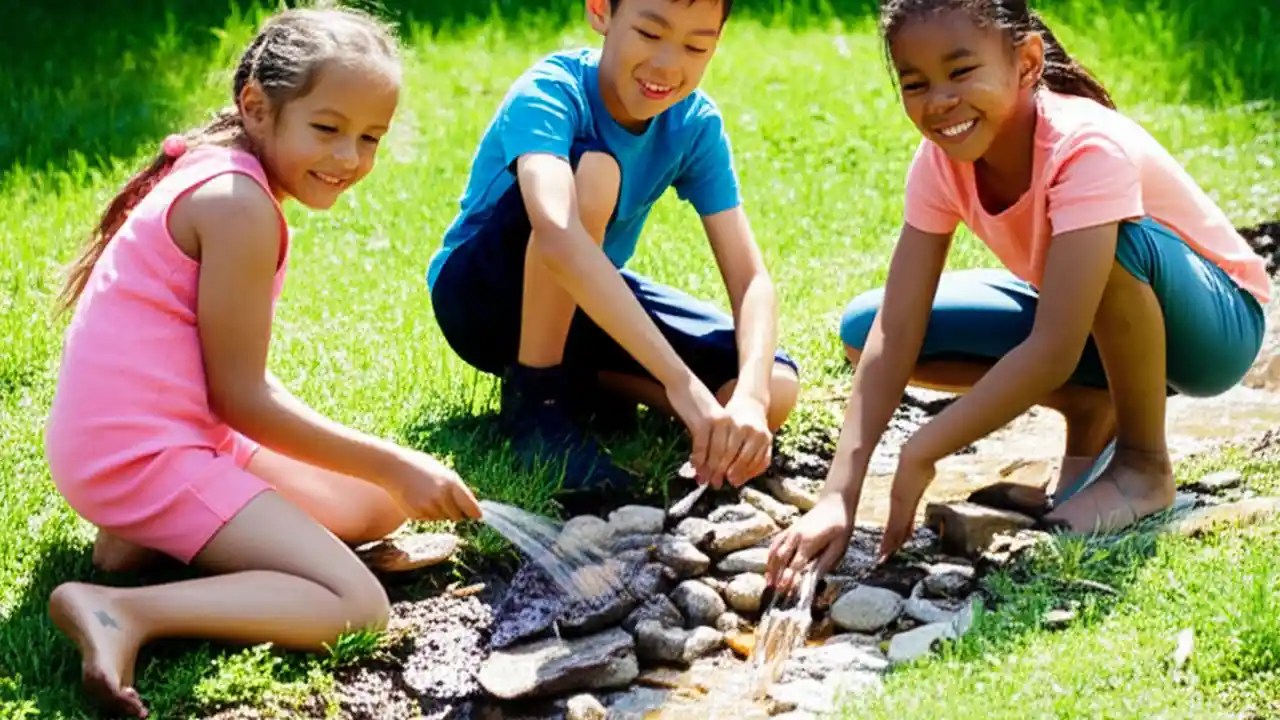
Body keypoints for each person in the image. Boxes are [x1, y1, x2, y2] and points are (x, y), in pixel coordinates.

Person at [44, 8, 481, 717]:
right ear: (258, 106)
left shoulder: (223, 170)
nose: (349, 158)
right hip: (141, 455)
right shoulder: (236, 205)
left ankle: (135, 538)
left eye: (370, 137)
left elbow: (222, 392)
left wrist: (386, 475)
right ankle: (123, 610)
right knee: (356, 606)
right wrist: (396, 459)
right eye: (328, 128)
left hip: (150, 435)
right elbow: (241, 399)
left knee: (376, 507)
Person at [767, 0, 1269, 590]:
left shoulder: (1084, 149)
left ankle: (1142, 464)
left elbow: (1054, 346)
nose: (939, 101)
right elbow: (898, 330)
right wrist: (838, 494)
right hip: (1090, 321)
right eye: (915, 82)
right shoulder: (938, 163)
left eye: (961, 72)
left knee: (1117, 245)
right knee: (866, 326)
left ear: (1027, 61)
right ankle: (1092, 407)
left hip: (1215, 328)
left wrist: (922, 449)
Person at [426, 0, 800, 495]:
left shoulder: (694, 124)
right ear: (601, 11)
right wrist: (681, 383)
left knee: (777, 385)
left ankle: (583, 385)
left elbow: (751, 279)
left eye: (695, 46)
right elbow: (558, 236)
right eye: (649, 34)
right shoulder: (552, 91)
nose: (669, 65)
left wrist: (749, 397)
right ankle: (537, 406)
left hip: (585, 298)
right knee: (595, 174)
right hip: (482, 300)